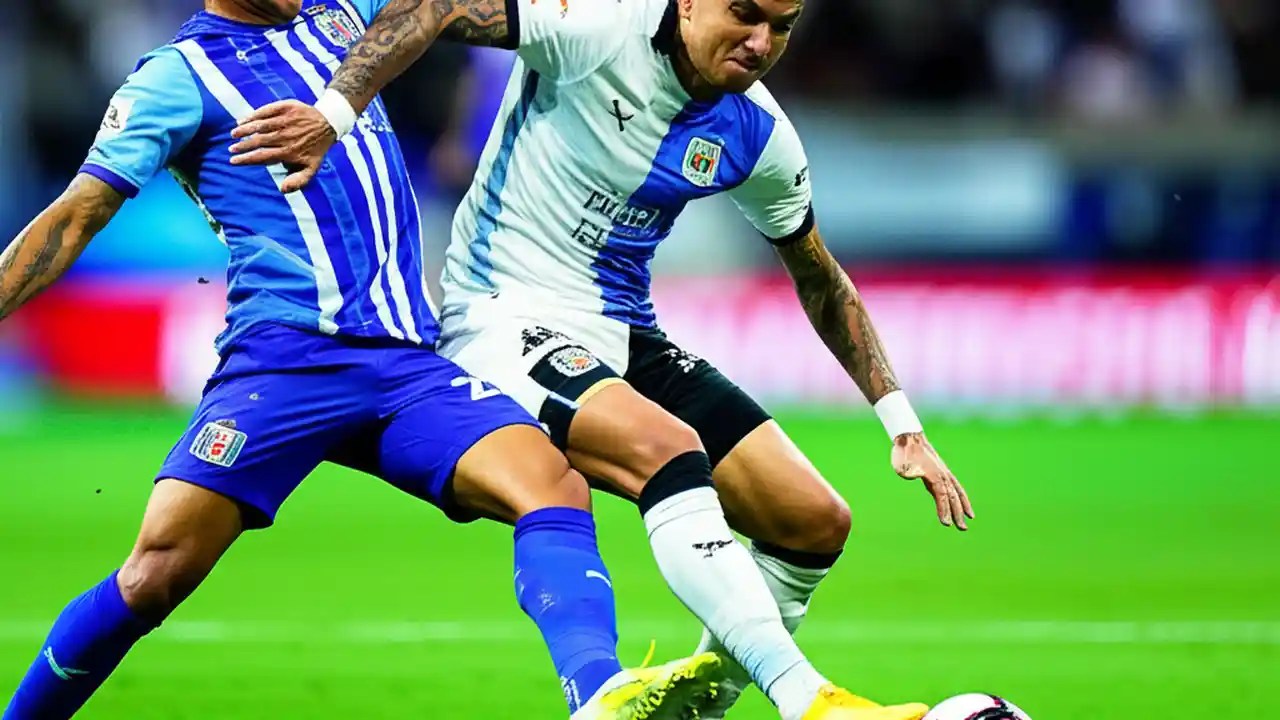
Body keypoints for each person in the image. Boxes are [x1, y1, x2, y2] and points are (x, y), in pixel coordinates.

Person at [231, 0, 973, 718]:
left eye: (782, 26)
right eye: (742, 12)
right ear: (686, 5)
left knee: (812, 519)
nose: (760, 40)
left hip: (622, 331)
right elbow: (437, 4)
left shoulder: (758, 135)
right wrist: (331, 114)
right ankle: (807, 700)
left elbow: (819, 275)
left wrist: (902, 425)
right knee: (669, 451)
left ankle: (691, 712)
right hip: (501, 312)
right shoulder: (593, 23)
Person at [0, 1, 724, 718]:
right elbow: (74, 216)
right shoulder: (175, 78)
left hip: (406, 364)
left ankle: (597, 692)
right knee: (156, 574)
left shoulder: (345, 11)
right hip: (285, 365)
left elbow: (443, 10)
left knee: (553, 485)